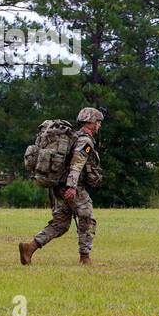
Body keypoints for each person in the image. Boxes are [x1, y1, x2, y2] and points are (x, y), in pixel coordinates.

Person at [19, 108, 104, 265]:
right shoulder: (85, 141)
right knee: (87, 218)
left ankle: (29, 248)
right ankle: (85, 258)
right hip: (73, 187)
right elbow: (77, 164)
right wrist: (72, 186)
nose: (99, 125)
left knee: (61, 224)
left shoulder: (74, 137)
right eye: (98, 122)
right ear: (91, 123)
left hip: (58, 186)